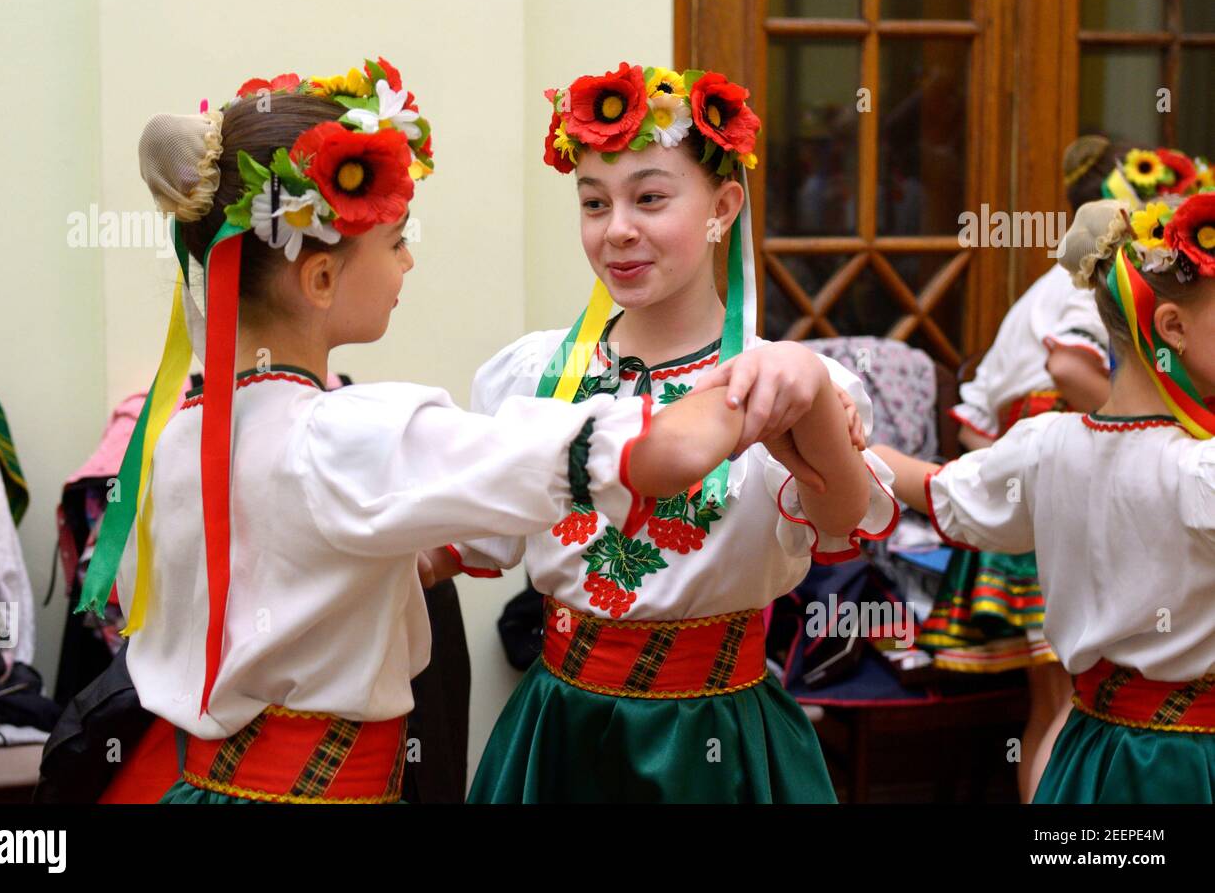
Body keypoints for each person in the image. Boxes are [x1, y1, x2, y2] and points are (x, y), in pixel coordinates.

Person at [70, 61, 750, 804]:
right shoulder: (351, 436)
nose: (409, 260)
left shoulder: (178, 435)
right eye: (395, 241)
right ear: (322, 280)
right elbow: (645, 454)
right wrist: (777, 388)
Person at [427, 62, 898, 803]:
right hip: (561, 733)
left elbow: (841, 521)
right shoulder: (538, 373)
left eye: (649, 197)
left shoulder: (776, 381)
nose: (617, 230)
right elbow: (468, 537)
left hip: (720, 741)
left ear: (722, 207)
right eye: (593, 202)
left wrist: (810, 402)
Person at [873, 192, 1215, 802]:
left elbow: (934, 486)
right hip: (1186, 766)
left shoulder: (1046, 448)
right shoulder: (1197, 469)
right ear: (1173, 327)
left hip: (1087, 758)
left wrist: (841, 438)